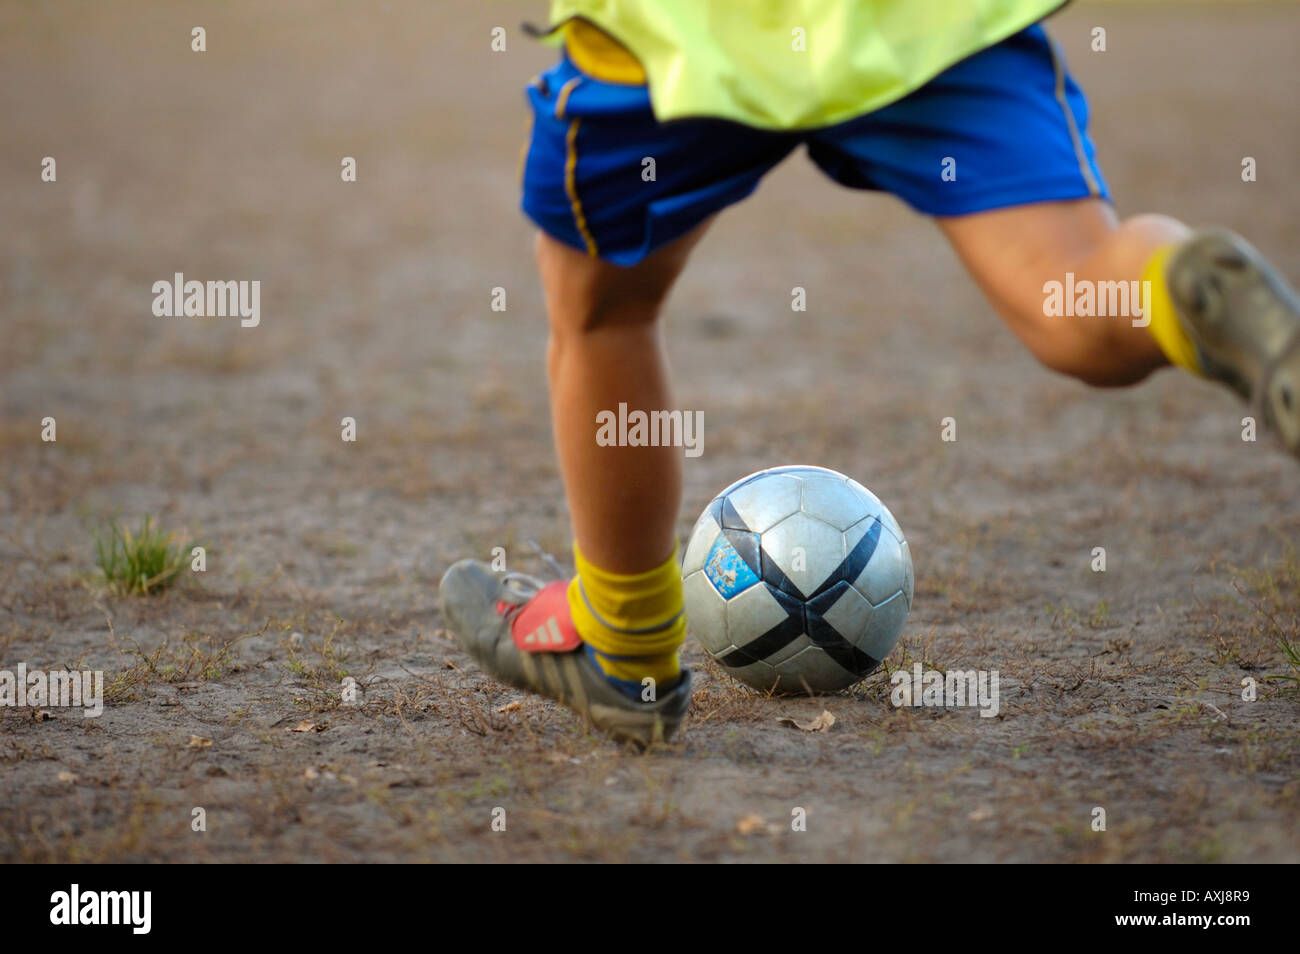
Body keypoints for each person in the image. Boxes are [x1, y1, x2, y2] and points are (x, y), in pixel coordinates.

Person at [440, 3, 1300, 746]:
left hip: (691, 28)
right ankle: (1177, 289)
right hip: (917, 21)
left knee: (606, 311)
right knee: (1072, 291)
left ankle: (623, 650)